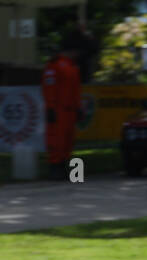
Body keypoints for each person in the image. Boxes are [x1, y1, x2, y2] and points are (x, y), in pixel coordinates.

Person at [41, 45, 81, 180]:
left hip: (69, 110)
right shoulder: (55, 65)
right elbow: (49, 87)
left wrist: (78, 107)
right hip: (59, 110)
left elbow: (76, 90)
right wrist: (51, 107)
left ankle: (64, 166)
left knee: (68, 140)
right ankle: (55, 167)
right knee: (56, 139)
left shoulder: (73, 67)